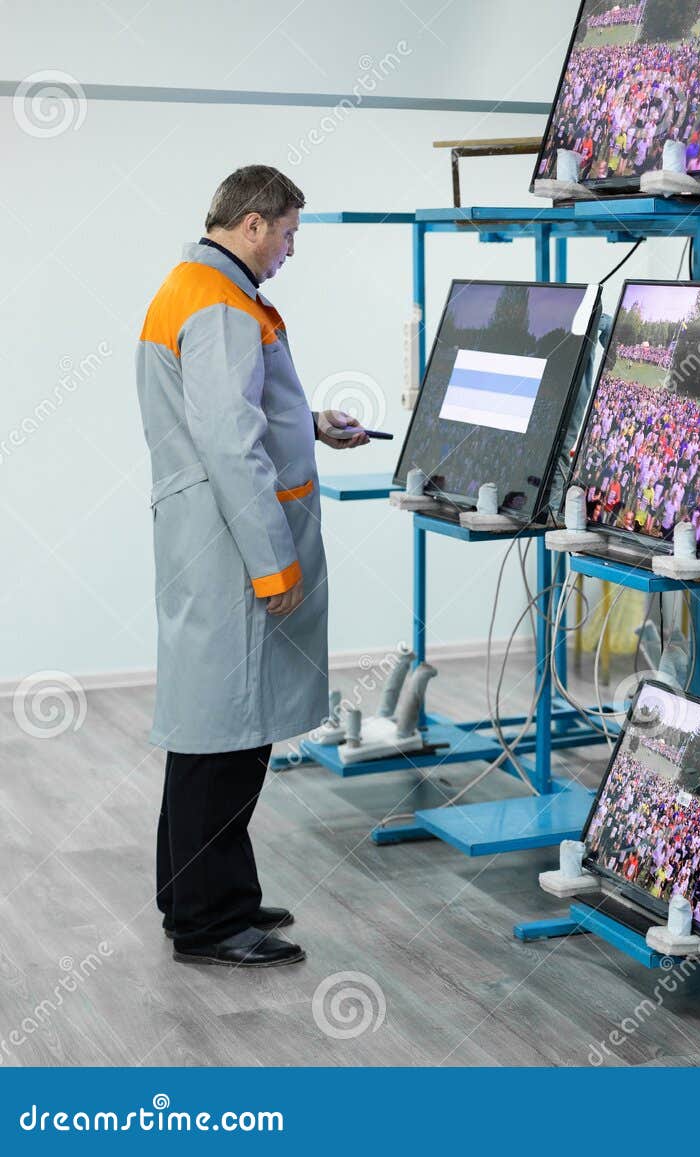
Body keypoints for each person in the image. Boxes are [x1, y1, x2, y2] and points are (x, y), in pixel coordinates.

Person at [136, 166, 371, 967]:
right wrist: (275, 566)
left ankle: (193, 892)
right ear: (252, 224)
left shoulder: (197, 287)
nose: (291, 249)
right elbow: (231, 446)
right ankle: (211, 920)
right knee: (228, 736)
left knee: (209, 730)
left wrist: (309, 422)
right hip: (233, 545)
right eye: (289, 233)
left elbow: (232, 411)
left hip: (207, 535)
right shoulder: (220, 303)